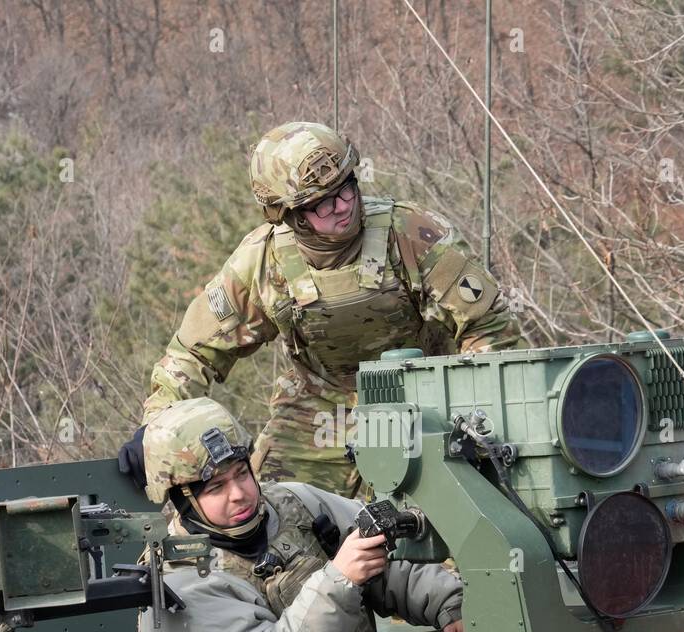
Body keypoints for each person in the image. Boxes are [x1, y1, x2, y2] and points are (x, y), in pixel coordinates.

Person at [120, 120, 523, 499]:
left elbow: (489, 326)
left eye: (346, 189)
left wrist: (478, 414)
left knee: (448, 519)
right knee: (274, 514)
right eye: (321, 204)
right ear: (289, 215)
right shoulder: (263, 262)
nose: (342, 206)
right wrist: (156, 427)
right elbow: (193, 354)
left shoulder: (411, 233)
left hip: (424, 397)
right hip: (320, 407)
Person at [136, 397, 465, 632]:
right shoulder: (178, 583)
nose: (239, 494)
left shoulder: (293, 505)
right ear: (182, 499)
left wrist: (448, 604)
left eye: (242, 473)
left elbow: (386, 557)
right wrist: (339, 581)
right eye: (216, 487)